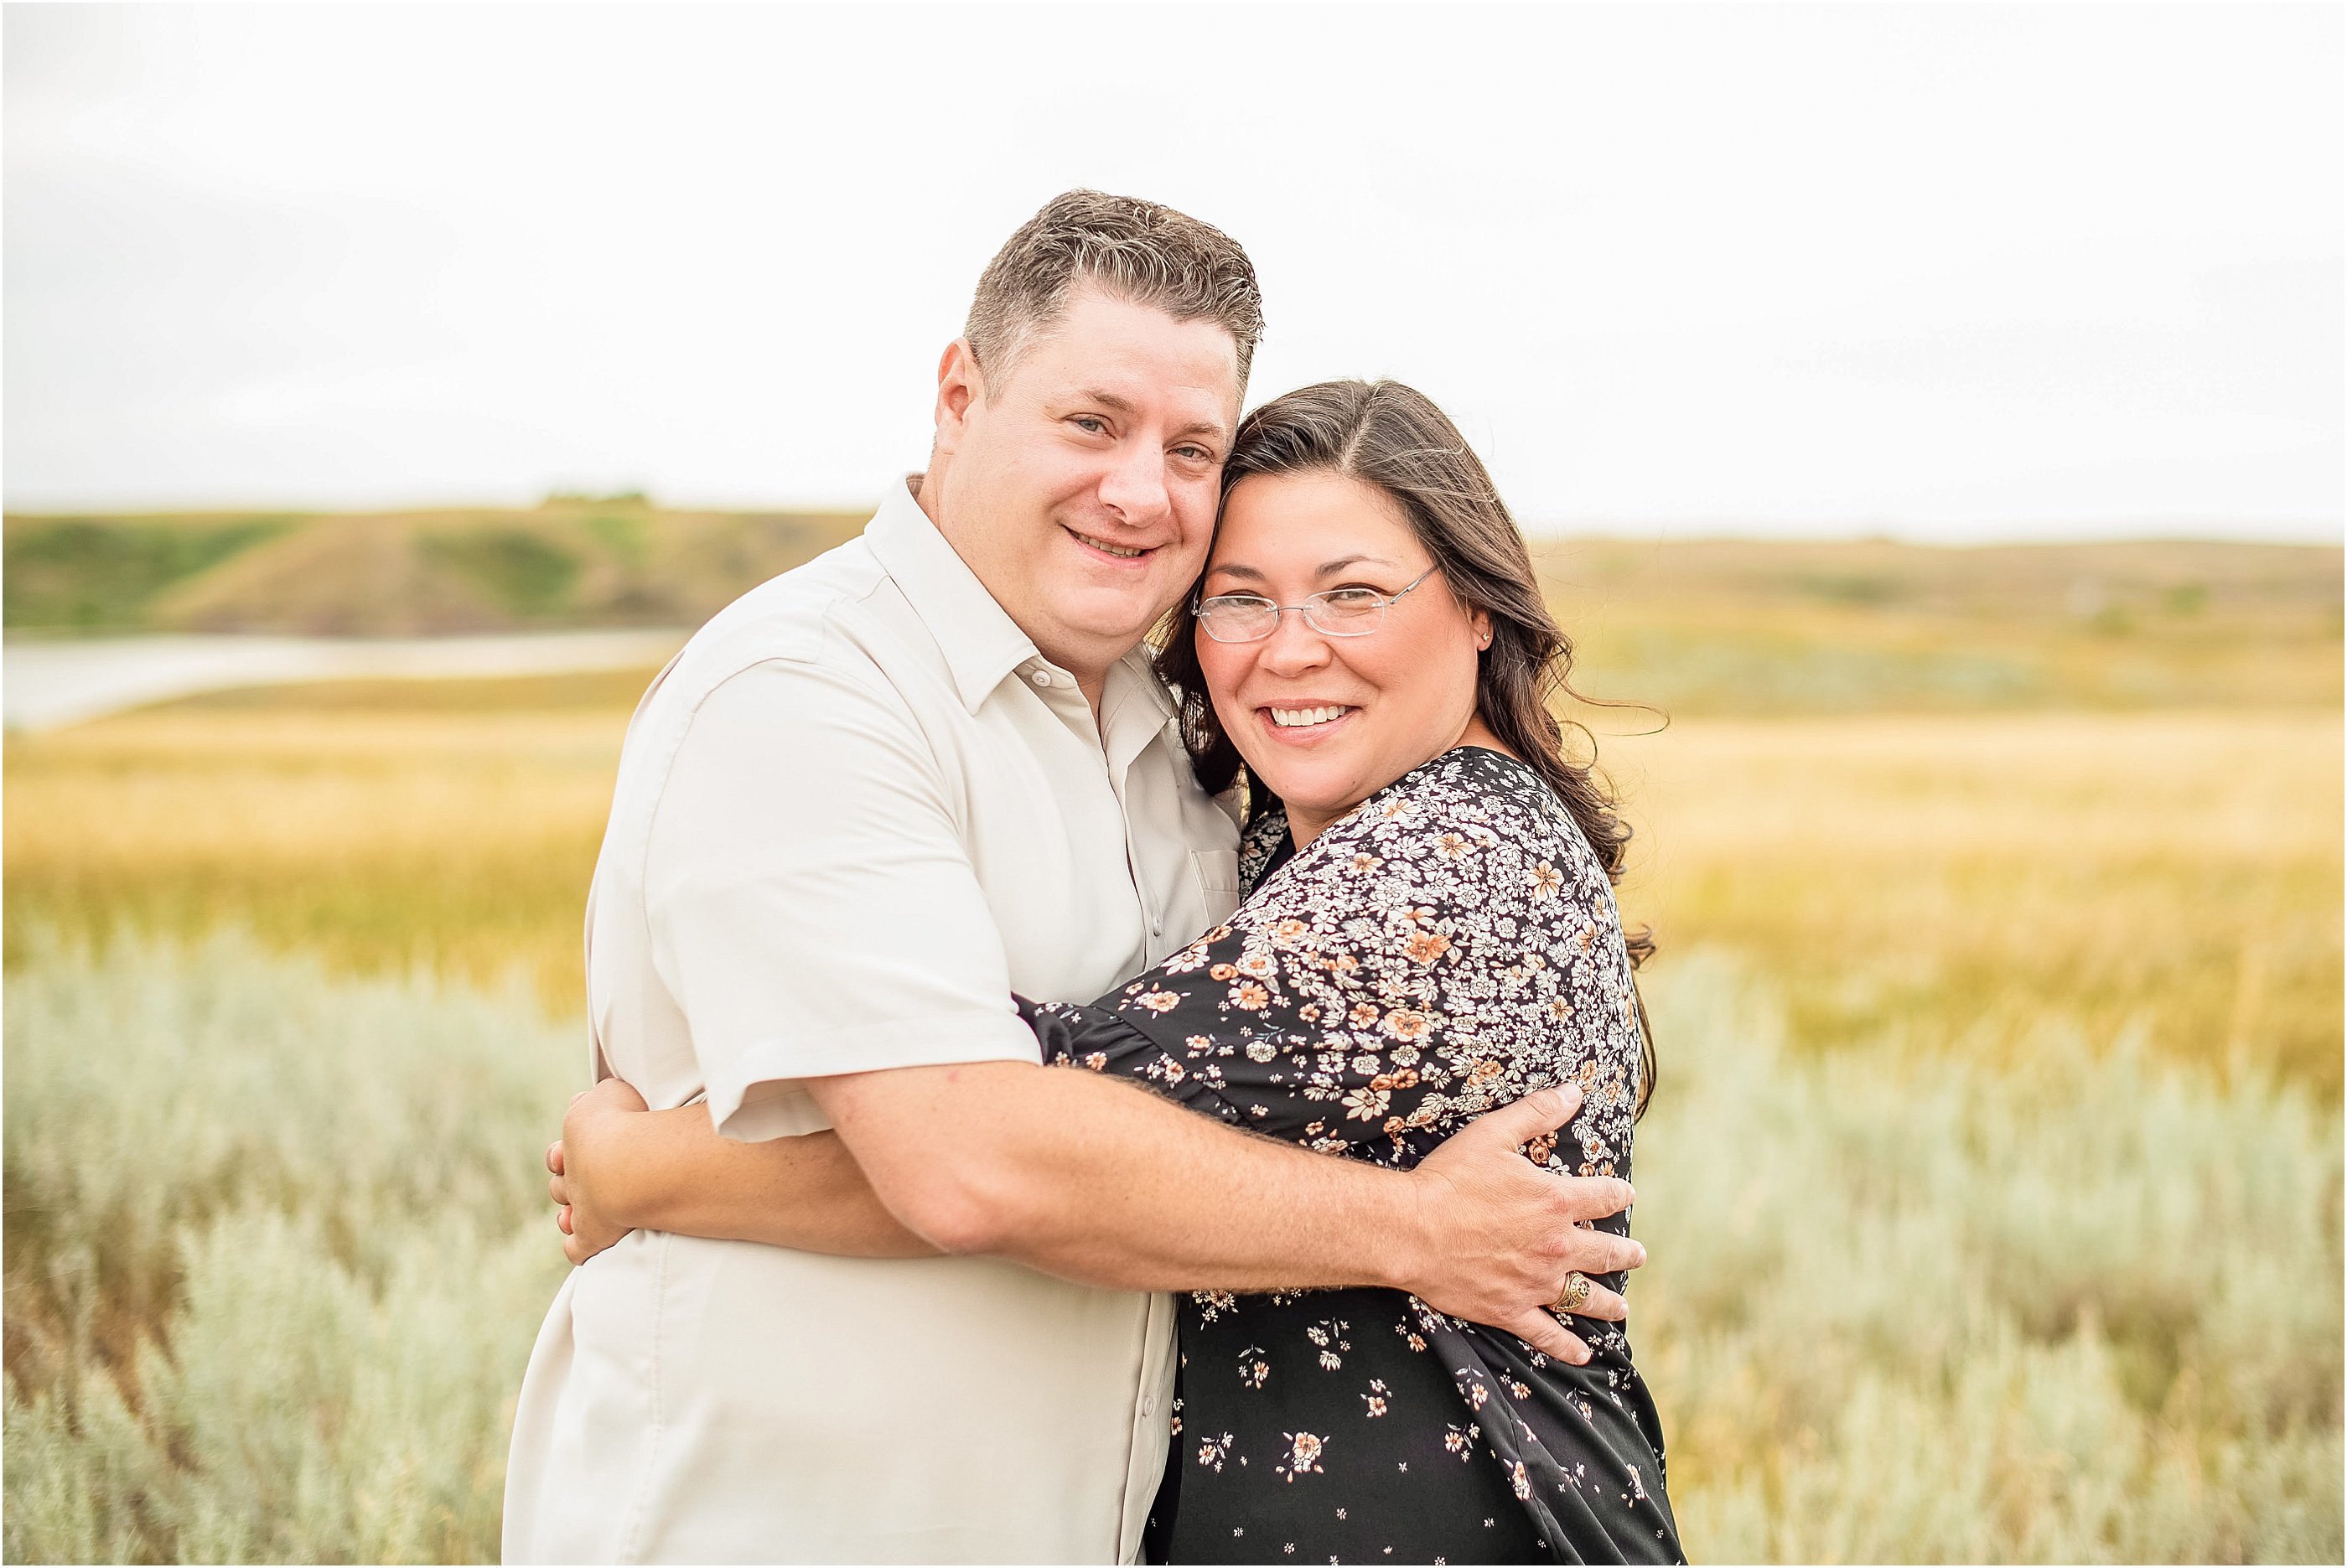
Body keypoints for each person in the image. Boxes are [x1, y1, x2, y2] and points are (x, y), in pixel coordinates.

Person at [504, 192, 1643, 1565]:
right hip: (784, 1525)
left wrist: (642, 1167)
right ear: (959, 396)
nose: (1138, 491)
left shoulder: (1290, 802)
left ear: (1475, 601)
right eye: (1092, 423)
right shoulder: (804, 691)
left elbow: (1020, 1123)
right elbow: (973, 1153)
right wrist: (1412, 1228)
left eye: (1191, 448)